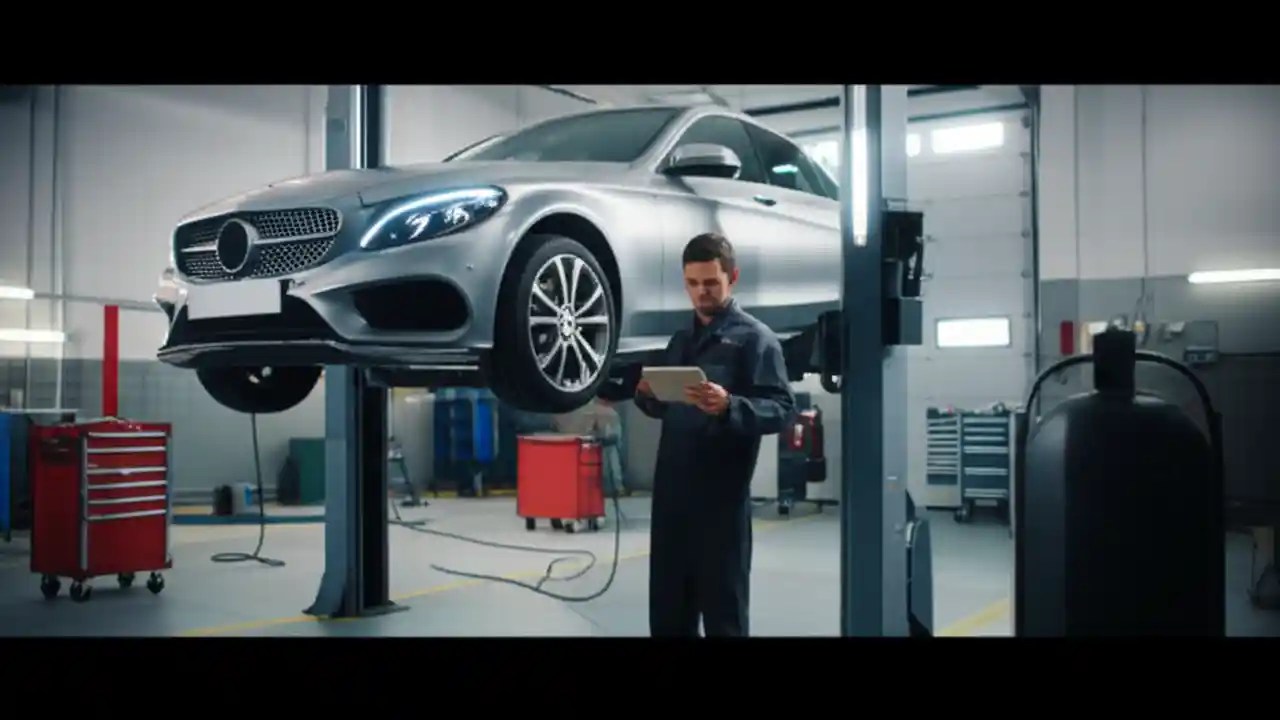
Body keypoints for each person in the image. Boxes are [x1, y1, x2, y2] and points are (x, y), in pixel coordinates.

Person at [599, 232, 796, 637]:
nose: (701, 292)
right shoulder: (679, 342)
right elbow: (666, 408)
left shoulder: (756, 341)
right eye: (692, 284)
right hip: (672, 502)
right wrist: (646, 396)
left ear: (732, 277)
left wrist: (730, 405)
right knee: (669, 618)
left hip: (721, 508)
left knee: (725, 620)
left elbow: (782, 409)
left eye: (711, 283)